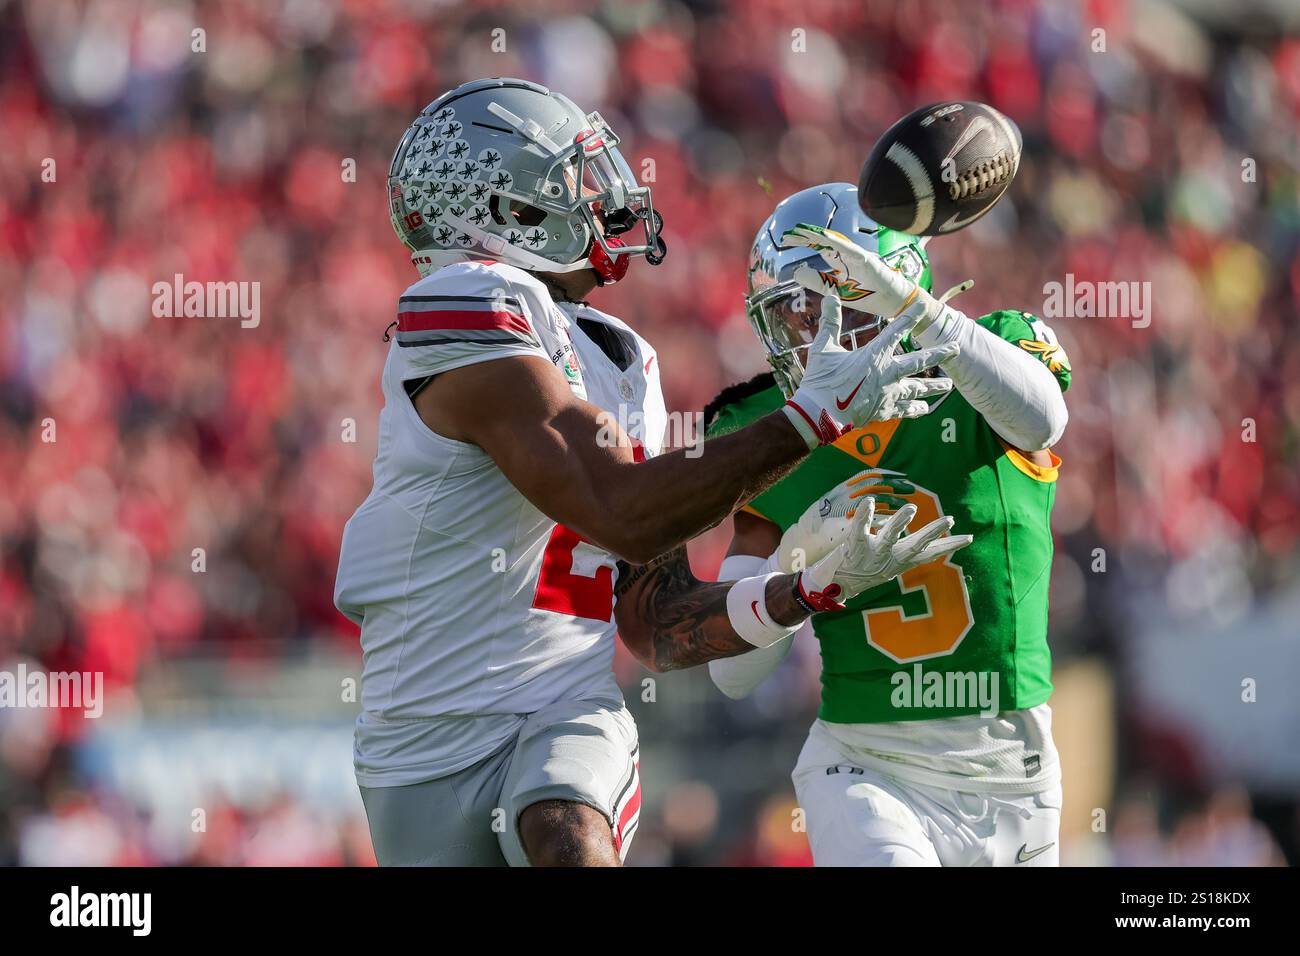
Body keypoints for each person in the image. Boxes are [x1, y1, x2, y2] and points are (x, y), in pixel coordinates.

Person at [333, 81, 960, 866]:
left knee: (566, 831)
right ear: (508, 209)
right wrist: (808, 421)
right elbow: (615, 509)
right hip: (420, 739)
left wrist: (808, 589)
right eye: (572, 179)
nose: (604, 195)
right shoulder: (467, 301)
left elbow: (655, 620)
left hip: (563, 705)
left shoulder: (625, 358)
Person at [706, 182, 1072, 866]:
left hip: (1012, 770)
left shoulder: (985, 363)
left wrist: (920, 314)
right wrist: (798, 560)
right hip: (865, 761)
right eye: (792, 316)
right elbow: (733, 673)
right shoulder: (771, 428)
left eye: (829, 311)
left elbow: (1044, 419)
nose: (808, 338)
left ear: (887, 296)